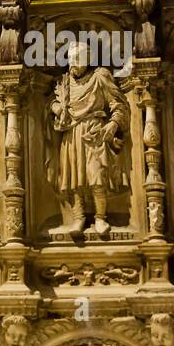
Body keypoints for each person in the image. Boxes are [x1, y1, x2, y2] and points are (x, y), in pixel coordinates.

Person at [49, 42, 130, 238]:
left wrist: (113, 124)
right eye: (70, 58)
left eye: (78, 58)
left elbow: (118, 104)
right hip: (71, 133)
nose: (73, 63)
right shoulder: (64, 81)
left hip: (94, 131)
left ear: (88, 59)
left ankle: (100, 217)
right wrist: (56, 108)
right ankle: (78, 217)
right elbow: (51, 102)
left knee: (96, 176)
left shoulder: (100, 76)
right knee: (75, 178)